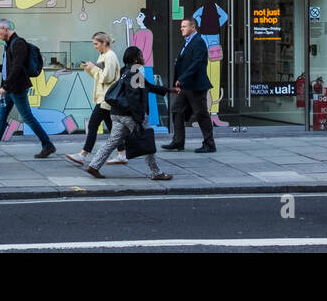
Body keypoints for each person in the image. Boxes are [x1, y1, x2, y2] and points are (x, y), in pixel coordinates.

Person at [82, 46, 172, 180]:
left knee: (112, 141)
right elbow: (134, 98)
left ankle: (94, 166)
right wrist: (139, 118)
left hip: (117, 113)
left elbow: (148, 86)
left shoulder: (125, 71)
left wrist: (169, 90)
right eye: (141, 55)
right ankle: (156, 172)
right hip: (129, 115)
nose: (143, 57)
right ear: (136, 58)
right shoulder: (135, 74)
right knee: (146, 141)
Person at [0, 18, 56, 158]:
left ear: (5, 29)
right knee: (0, 118)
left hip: (17, 88)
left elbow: (17, 67)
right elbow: (10, 67)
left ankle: (48, 145)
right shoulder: (9, 44)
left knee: (27, 118)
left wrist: (5, 87)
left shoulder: (18, 43)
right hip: (10, 88)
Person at [68, 31, 126, 166]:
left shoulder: (109, 57)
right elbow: (100, 77)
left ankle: (83, 155)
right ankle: (122, 154)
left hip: (106, 98)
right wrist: (90, 68)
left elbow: (107, 77)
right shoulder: (104, 56)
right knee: (112, 128)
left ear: (104, 43)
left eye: (96, 44)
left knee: (93, 125)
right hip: (105, 97)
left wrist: (93, 68)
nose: (94, 46)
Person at [162, 18, 216, 153]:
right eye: (181, 26)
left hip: (196, 85)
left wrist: (182, 79)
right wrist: (179, 81)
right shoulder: (188, 42)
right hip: (186, 85)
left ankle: (209, 144)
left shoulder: (198, 42)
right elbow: (182, 64)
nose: (181, 28)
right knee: (176, 110)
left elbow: (197, 63)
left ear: (193, 27)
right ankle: (178, 141)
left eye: (184, 26)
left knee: (201, 114)